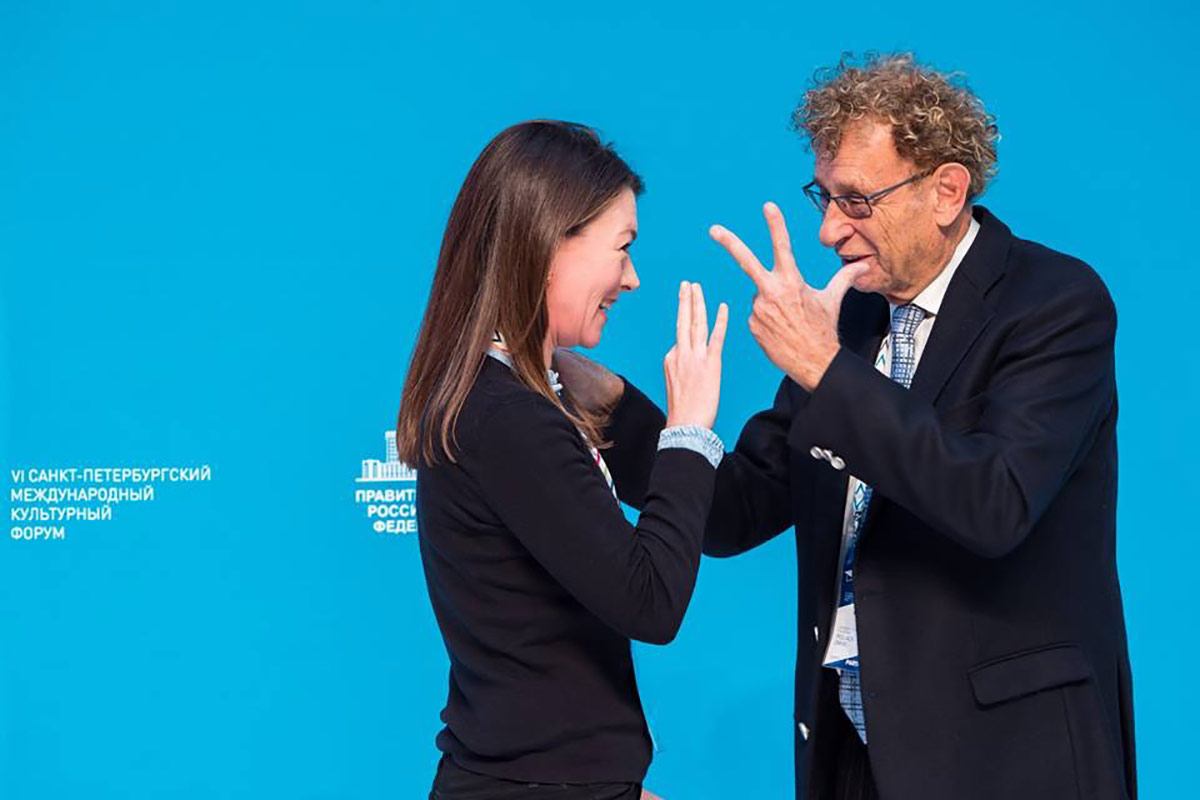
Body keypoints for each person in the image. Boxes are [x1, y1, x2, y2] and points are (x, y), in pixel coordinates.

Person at [575, 54, 1135, 799]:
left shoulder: (1055, 304)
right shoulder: (856, 320)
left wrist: (825, 366)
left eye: (857, 201)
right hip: (857, 759)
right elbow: (738, 507)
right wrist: (610, 404)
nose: (831, 229)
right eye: (824, 197)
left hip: (1008, 762)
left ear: (945, 190)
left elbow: (994, 502)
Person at [395, 120, 729, 800]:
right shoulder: (506, 417)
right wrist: (690, 427)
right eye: (622, 248)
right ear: (551, 244)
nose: (632, 279)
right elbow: (650, 601)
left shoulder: (512, 401)